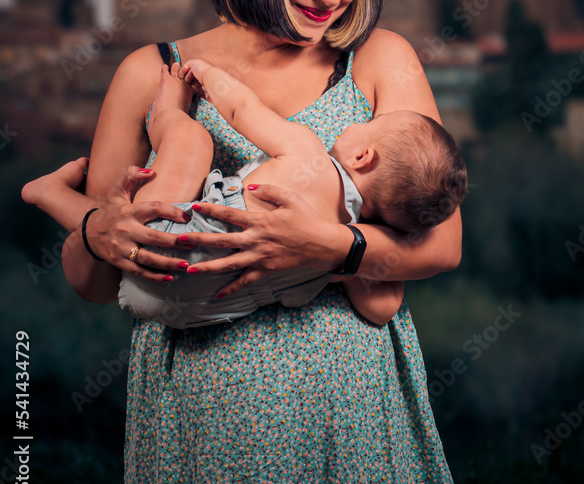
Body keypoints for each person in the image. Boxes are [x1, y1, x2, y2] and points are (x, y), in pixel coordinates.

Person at [23, 0, 480, 484]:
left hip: (356, 433)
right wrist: (93, 224)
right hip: (203, 434)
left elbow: (444, 244)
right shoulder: (152, 72)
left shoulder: (381, 59)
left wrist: (329, 247)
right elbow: (90, 282)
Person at [114, 56, 468, 329]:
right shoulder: (335, 256)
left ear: (363, 156)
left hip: (156, 244)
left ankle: (165, 114)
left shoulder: (308, 153)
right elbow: (383, 309)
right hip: (179, 309)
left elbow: (242, 109)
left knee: (191, 140)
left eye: (369, 124)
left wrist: (206, 74)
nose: (358, 123)